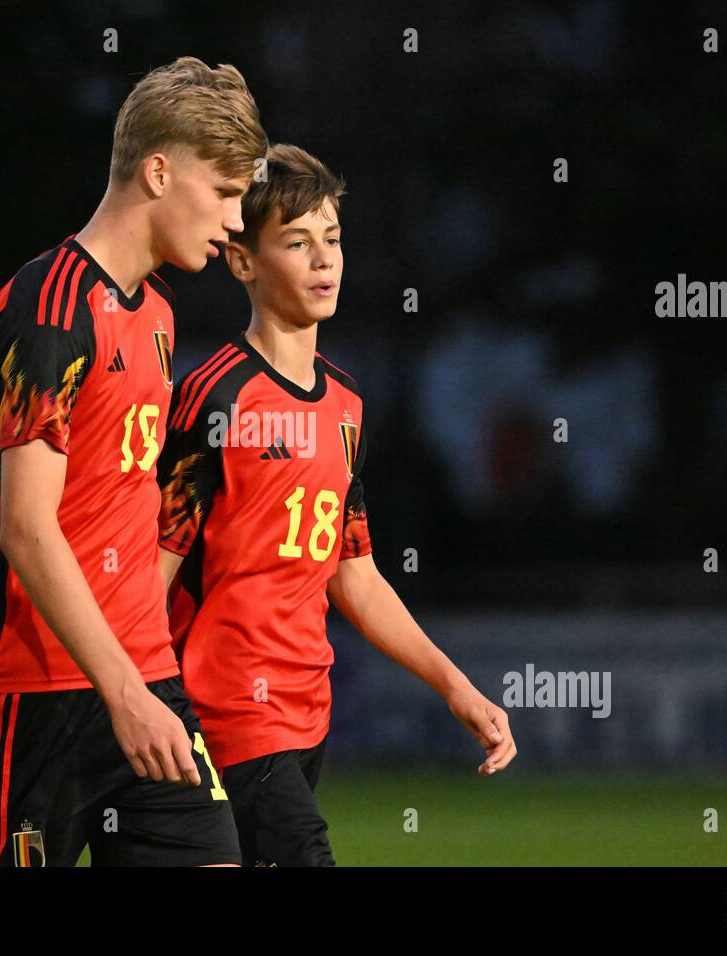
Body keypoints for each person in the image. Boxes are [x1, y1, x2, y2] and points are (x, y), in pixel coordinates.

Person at [0, 57, 268, 867]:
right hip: (30, 701)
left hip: (145, 684)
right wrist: (122, 692)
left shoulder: (157, 314)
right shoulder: (47, 311)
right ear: (159, 172)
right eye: (225, 193)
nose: (236, 221)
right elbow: (27, 529)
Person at [157, 144, 516, 866]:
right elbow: (153, 567)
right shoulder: (215, 397)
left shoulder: (345, 404)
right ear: (243, 263)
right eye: (297, 242)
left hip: (306, 714)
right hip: (226, 709)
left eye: (332, 239)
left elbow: (352, 572)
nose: (324, 261)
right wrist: (136, 700)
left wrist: (455, 685)